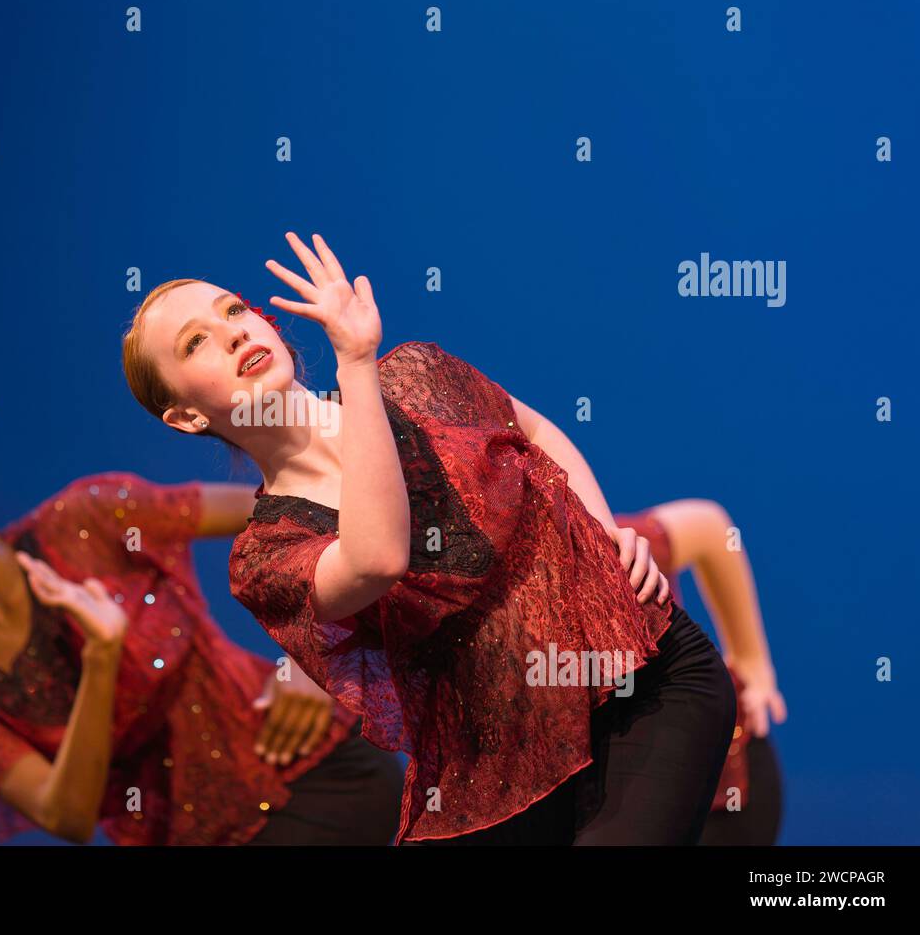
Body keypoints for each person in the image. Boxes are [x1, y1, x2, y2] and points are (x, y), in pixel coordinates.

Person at [121, 230, 737, 844]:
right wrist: (357, 367)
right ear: (186, 417)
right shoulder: (265, 556)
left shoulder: (417, 376)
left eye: (232, 309)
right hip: (493, 775)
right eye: (195, 342)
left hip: (639, 684)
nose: (233, 331)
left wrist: (606, 535)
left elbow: (535, 430)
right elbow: (376, 558)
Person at [0, 418, 404, 845]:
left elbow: (296, 508)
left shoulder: (83, 519)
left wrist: (312, 657)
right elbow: (69, 815)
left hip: (321, 775)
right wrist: (102, 657)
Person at [613, 500, 787, 845]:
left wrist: (751, 660)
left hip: (724, 792)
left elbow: (711, 529)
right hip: (618, 802)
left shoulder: (605, 548)